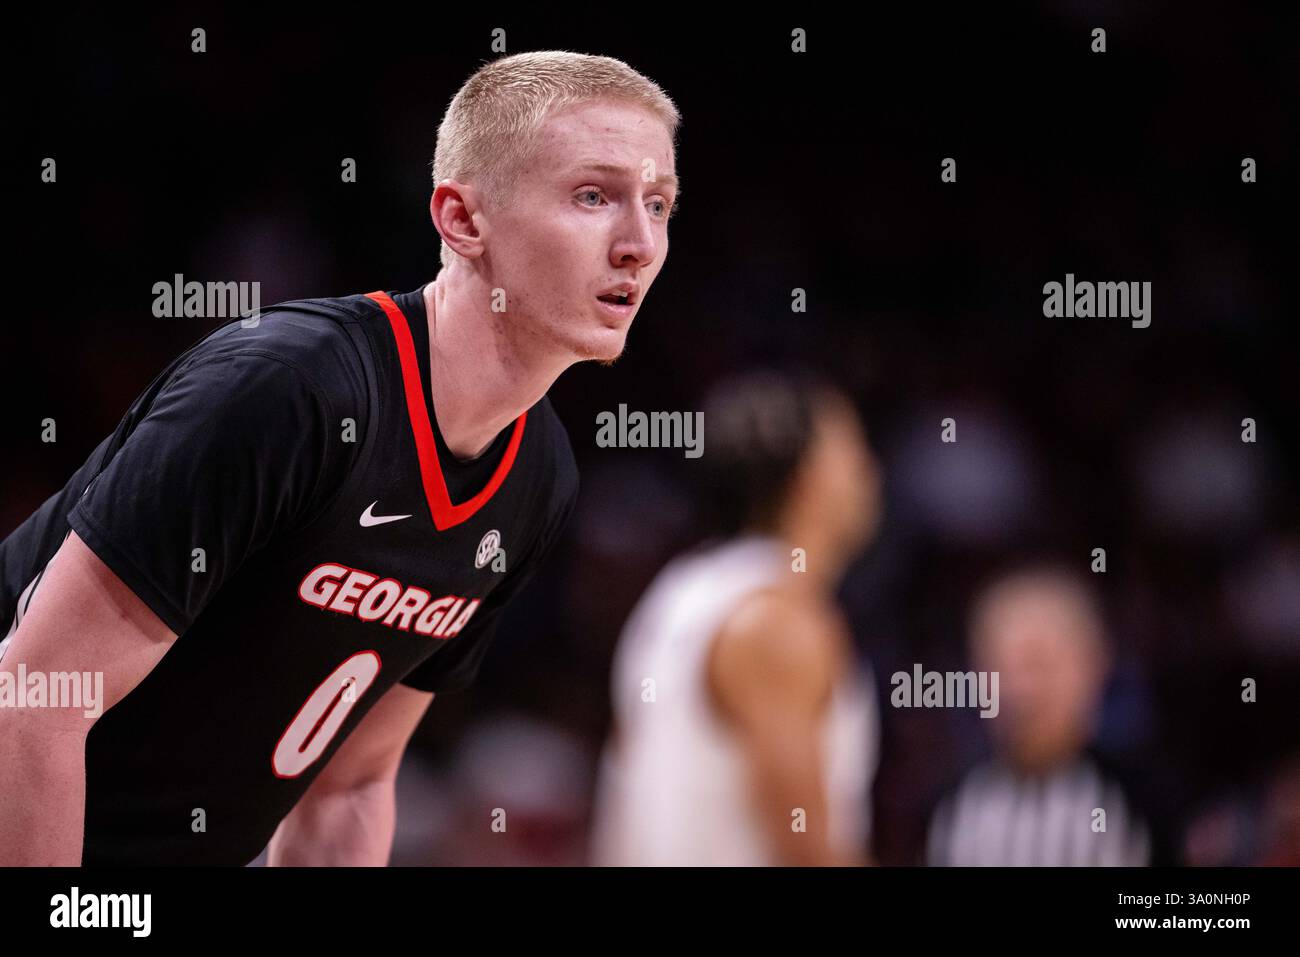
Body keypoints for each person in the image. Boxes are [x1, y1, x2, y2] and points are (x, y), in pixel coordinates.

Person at [0, 51, 680, 866]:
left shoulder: (537, 475)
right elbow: (32, 697)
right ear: (463, 220)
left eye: (660, 204)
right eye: (594, 196)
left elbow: (350, 785)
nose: (640, 243)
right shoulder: (289, 391)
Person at [590, 371, 884, 866]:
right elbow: (805, 849)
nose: (870, 473)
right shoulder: (776, 624)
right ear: (808, 476)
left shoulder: (674, 597)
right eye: (853, 452)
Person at [926, 564, 1154, 866]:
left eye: (1039, 665)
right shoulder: (953, 806)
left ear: (1092, 667)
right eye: (1000, 668)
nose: (1021, 690)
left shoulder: (1140, 805)